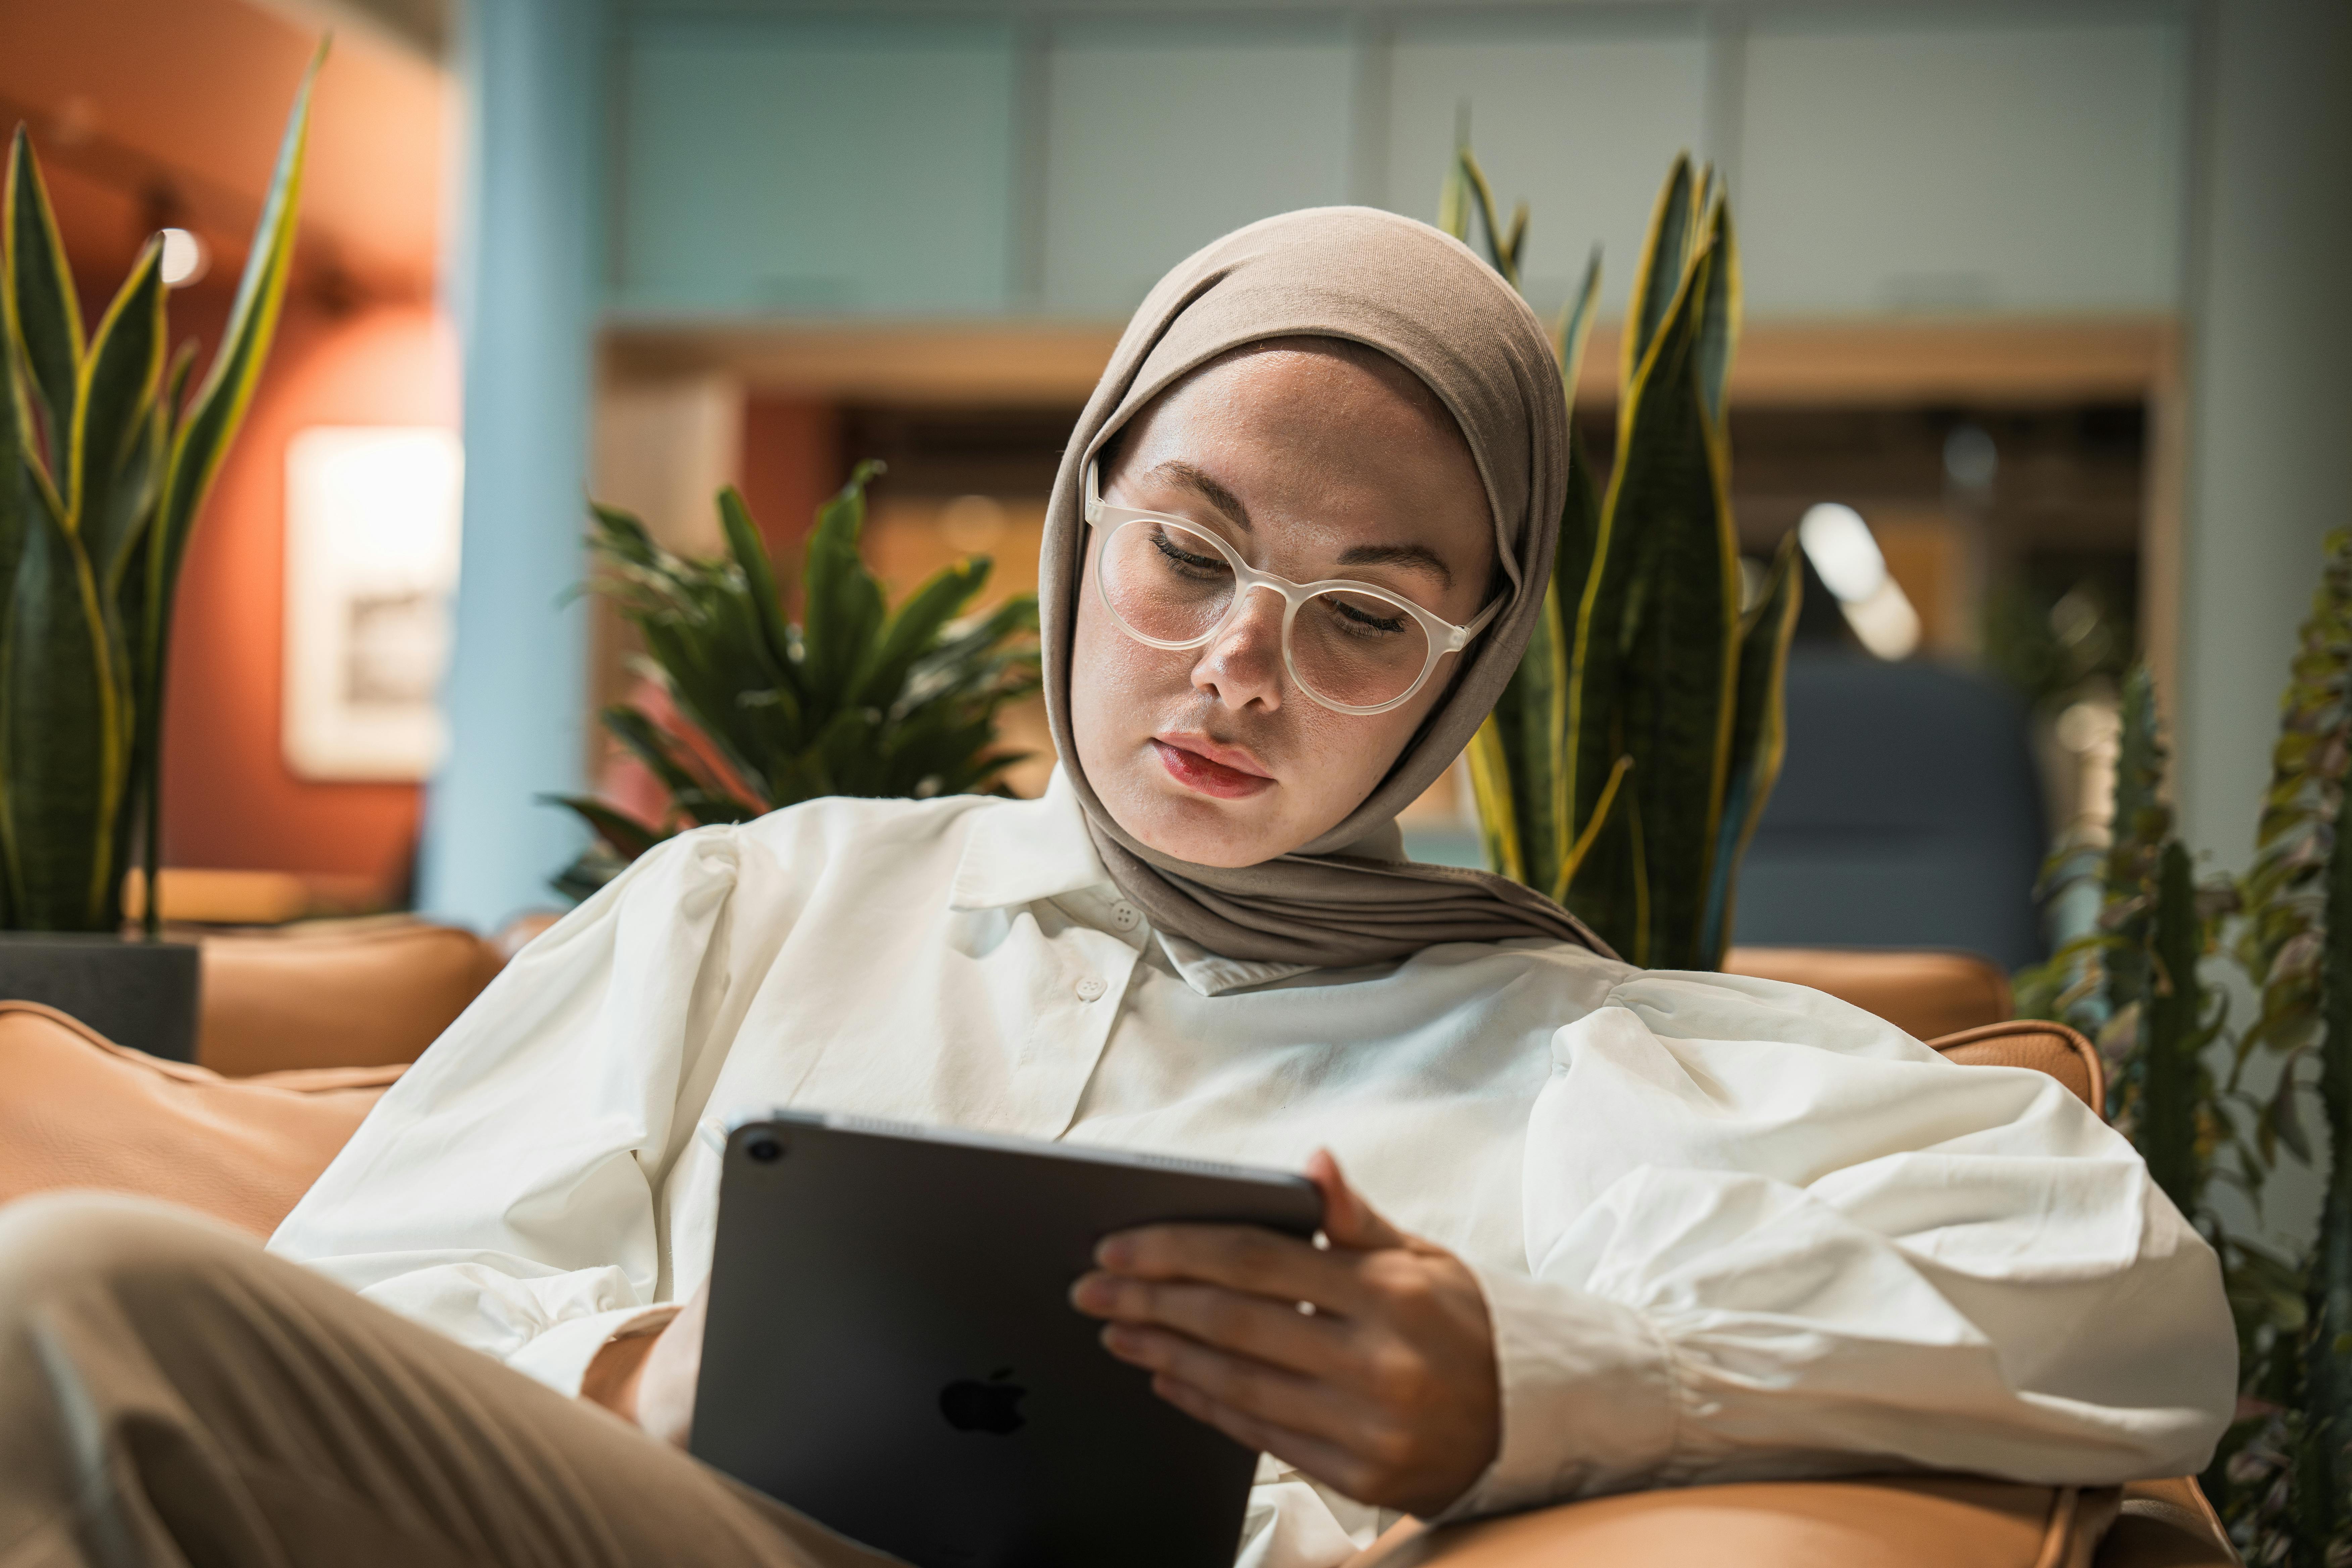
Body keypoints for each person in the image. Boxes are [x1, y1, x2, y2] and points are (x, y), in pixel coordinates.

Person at [0, 208, 2233, 1568]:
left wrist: (1532, 1385)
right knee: (82, 1300)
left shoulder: (1571, 1049)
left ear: (1472, 676)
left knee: (78, 1295)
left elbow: (2133, 1304)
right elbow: (370, 1299)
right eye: (1189, 552)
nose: (1240, 668)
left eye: (1369, 613)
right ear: (1084, 522)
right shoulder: (755, 907)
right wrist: (632, 1381)